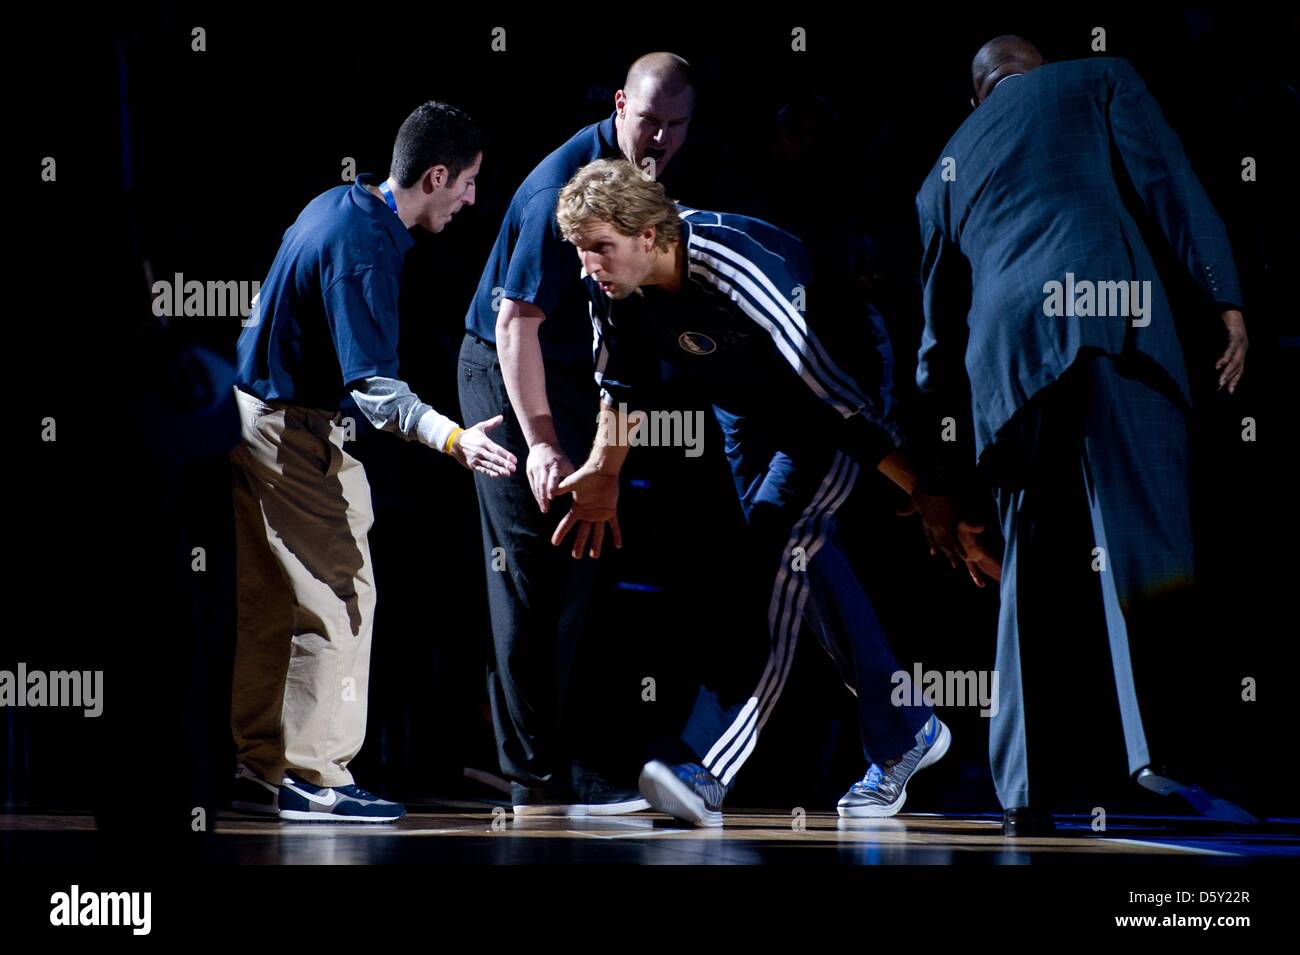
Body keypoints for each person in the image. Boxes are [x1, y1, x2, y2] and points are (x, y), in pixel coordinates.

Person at [551, 158, 993, 826]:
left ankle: (706, 768)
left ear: (650, 236)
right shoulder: (612, 286)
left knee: (780, 552)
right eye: (581, 251)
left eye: (601, 248)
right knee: (789, 565)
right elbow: (623, 386)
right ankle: (906, 730)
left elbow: (836, 401)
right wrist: (604, 473)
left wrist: (926, 491)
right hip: (745, 403)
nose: (589, 264)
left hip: (837, 386)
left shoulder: (738, 268)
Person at [915, 36, 1254, 836]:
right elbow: (1167, 181)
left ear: (977, 98)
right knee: (1145, 535)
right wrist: (1225, 299)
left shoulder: (942, 172)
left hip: (1004, 361)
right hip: (1108, 319)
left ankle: (1022, 789)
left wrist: (938, 474)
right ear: (1037, 69)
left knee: (1024, 574)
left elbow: (932, 338)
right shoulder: (1099, 76)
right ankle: (1166, 755)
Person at [230, 101, 516, 823]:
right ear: (438, 174)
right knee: (339, 597)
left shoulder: (341, 201)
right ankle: (313, 772)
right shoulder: (363, 244)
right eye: (469, 184)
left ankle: (264, 764)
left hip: (255, 419)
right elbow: (374, 388)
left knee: (273, 601)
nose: (471, 200)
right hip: (291, 432)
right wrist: (454, 438)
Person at [459, 54, 695, 815]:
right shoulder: (554, 188)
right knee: (529, 562)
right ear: (620, 103)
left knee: (588, 556)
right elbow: (512, 323)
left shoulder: (652, 181)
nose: (658, 137)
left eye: (675, 125)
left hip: (580, 372)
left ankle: (572, 754)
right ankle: (530, 775)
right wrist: (540, 442)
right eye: (648, 120)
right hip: (508, 369)